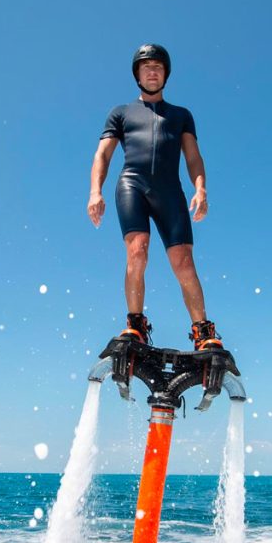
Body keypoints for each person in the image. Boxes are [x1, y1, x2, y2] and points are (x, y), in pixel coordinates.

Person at [87, 44, 223, 351]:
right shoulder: (120, 113)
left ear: (166, 75)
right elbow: (103, 154)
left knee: (184, 262)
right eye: (147, 67)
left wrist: (200, 188)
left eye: (158, 67)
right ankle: (135, 324)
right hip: (132, 185)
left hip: (170, 191)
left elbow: (193, 158)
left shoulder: (181, 115)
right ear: (137, 74)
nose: (152, 72)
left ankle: (203, 332)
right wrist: (95, 191)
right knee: (138, 251)